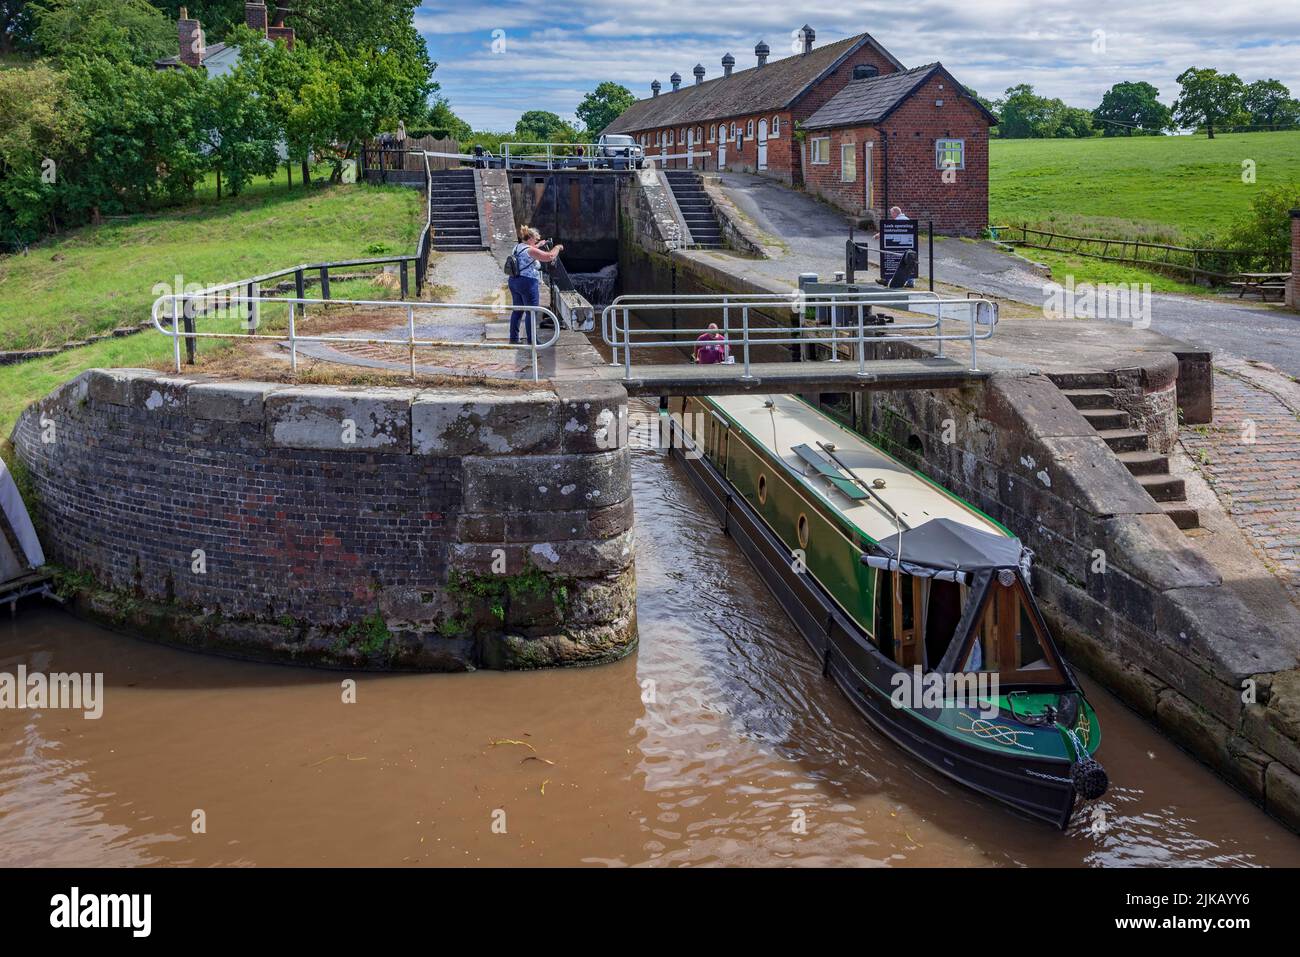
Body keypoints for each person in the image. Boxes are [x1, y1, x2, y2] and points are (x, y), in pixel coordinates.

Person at [508, 226, 563, 344]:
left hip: (514, 281)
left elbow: (529, 251)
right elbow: (549, 256)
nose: (537, 241)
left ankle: (513, 339)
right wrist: (557, 247)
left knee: (517, 310)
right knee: (531, 312)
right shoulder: (531, 250)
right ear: (531, 238)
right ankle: (532, 341)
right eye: (536, 239)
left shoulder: (517, 247)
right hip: (527, 283)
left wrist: (538, 245)